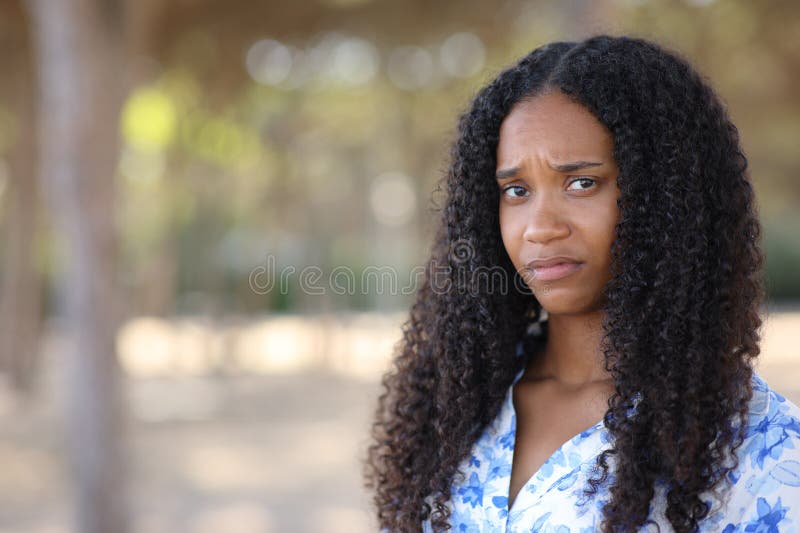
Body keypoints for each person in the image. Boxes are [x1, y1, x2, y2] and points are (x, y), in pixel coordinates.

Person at [363, 34, 800, 533]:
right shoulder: (458, 399)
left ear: (665, 198)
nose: (540, 227)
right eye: (516, 190)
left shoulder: (762, 451)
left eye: (581, 183)